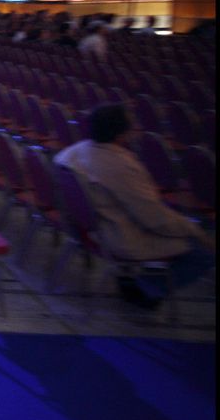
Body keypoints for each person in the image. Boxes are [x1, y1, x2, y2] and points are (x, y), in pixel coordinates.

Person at [54, 103, 215, 308]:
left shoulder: (72, 153)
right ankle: (146, 288)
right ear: (121, 132)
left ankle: (134, 280)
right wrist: (193, 229)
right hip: (117, 236)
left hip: (88, 228)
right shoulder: (120, 164)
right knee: (203, 253)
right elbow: (153, 218)